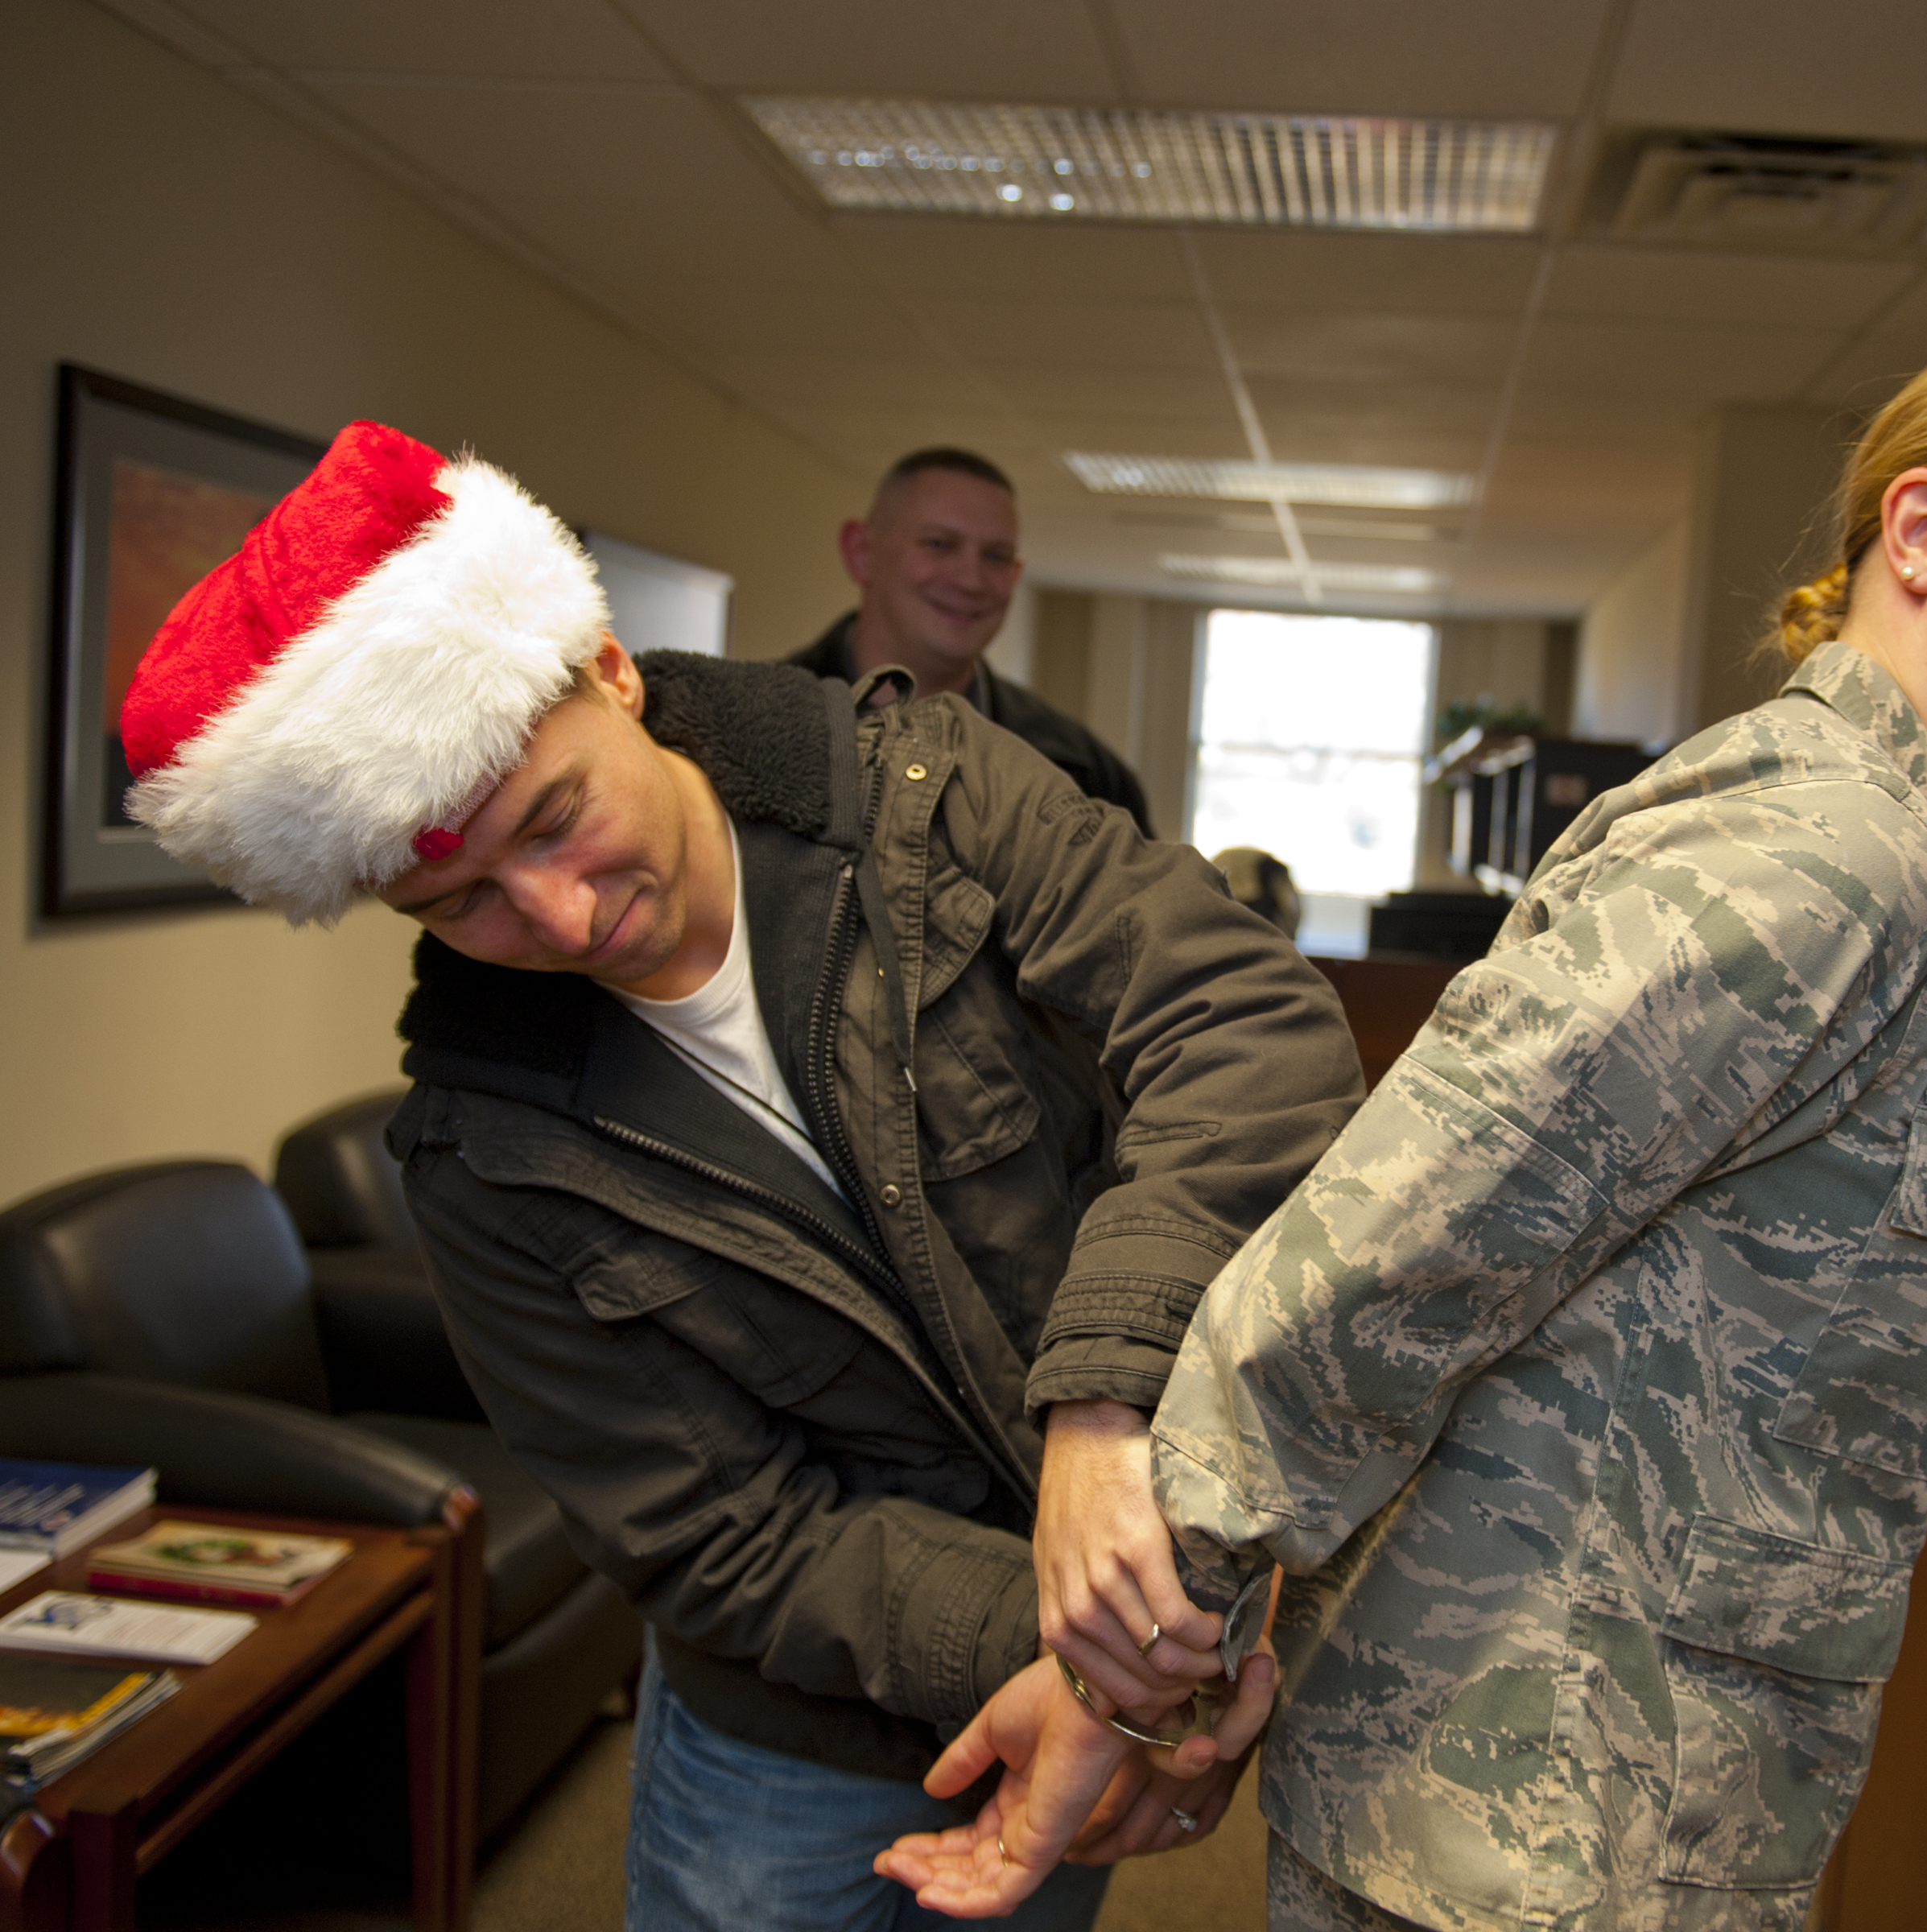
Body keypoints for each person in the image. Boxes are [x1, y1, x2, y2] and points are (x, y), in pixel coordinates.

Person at [877, 310, 1927, 1930]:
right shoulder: (1827, 858)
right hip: (1538, 1838)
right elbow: (1400, 1245)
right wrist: (1136, 1661)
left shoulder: (1893, 859)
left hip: (1602, 1808)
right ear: (1925, 528)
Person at [115, 421, 1363, 1930]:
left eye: (556, 819)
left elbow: (1244, 1021)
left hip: (1104, 1632)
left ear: (611, 672)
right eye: (461, 903)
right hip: (793, 1752)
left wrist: (1102, 1410)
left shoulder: (931, 791)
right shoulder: (479, 1153)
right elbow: (723, 1536)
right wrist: (1102, 1661)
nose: (562, 918)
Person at [790, 448, 1154, 834]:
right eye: (939, 544)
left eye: (996, 557)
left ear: (1015, 575)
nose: (971, 581)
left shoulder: (1085, 776)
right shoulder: (761, 728)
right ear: (861, 552)